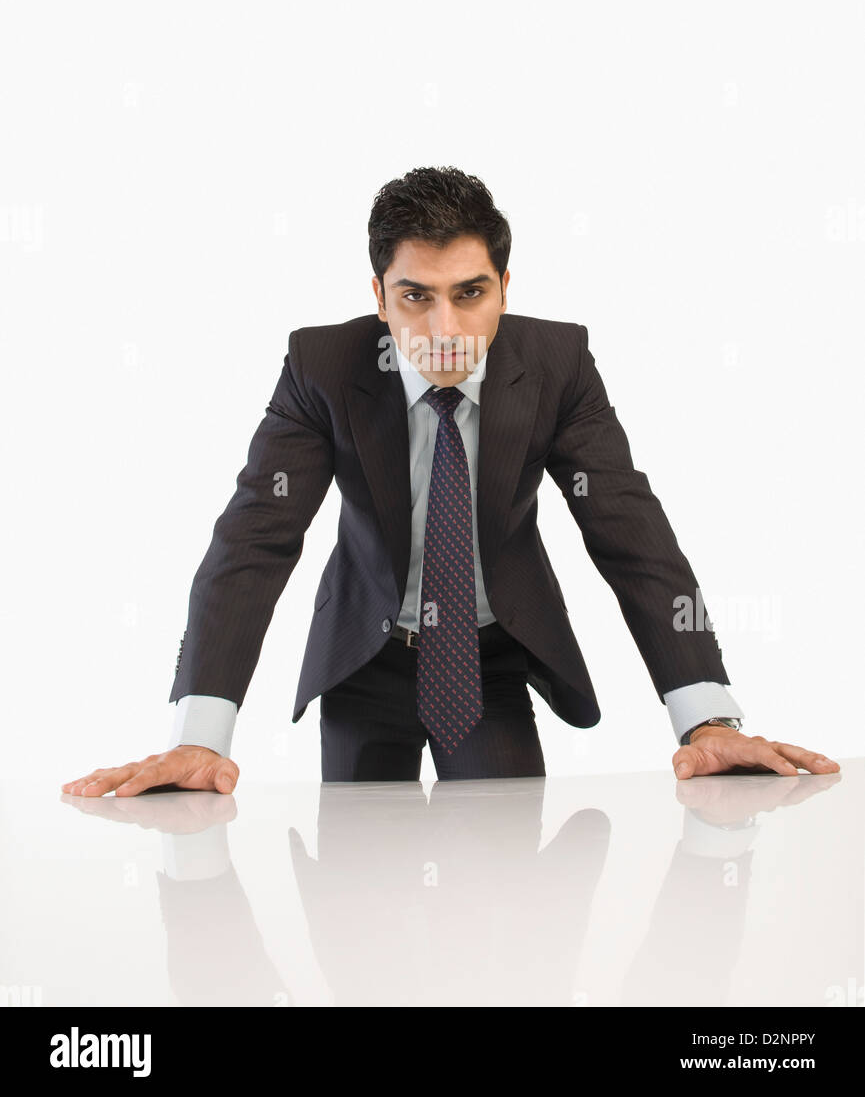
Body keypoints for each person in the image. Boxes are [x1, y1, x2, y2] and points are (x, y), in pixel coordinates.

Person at [62, 167, 839, 793]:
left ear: (505, 284)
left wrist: (707, 720)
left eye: (470, 293)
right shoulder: (323, 368)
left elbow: (629, 533)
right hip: (363, 660)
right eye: (415, 297)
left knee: (509, 903)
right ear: (378, 296)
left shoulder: (556, 364)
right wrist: (199, 735)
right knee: (359, 906)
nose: (445, 331)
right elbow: (252, 543)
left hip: (487, 659)